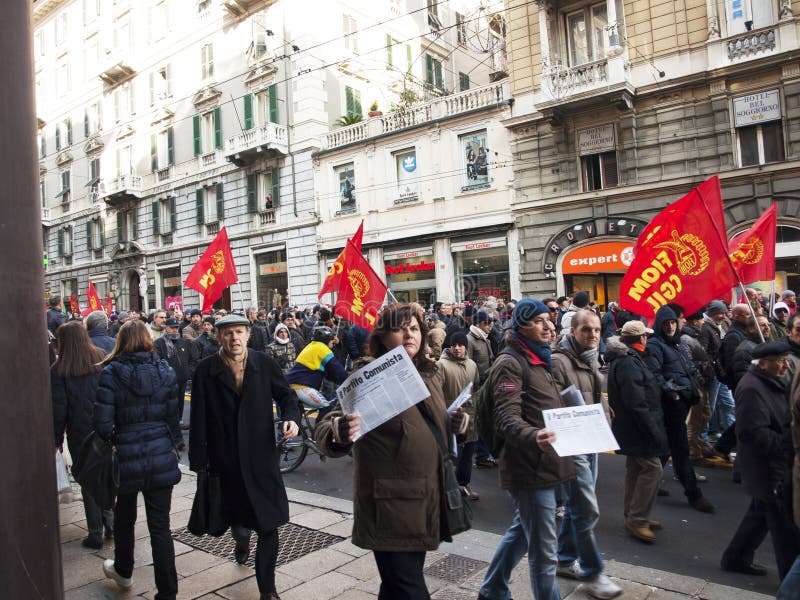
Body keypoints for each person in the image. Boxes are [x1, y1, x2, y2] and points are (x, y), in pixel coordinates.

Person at [316, 302, 465, 599]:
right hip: (390, 504)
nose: (409, 335)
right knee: (409, 587)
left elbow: (434, 423)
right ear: (383, 337)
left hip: (425, 497)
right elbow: (327, 426)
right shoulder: (368, 374)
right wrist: (339, 431)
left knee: (396, 586)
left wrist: (454, 421)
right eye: (399, 329)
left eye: (414, 329)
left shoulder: (431, 373)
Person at [190, 314, 300, 600]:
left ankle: (268, 590)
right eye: (228, 333)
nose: (234, 338)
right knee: (238, 519)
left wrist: (291, 418)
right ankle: (241, 543)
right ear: (218, 337)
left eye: (239, 332)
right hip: (225, 459)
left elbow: (287, 396)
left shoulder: (263, 364)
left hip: (261, 457)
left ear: (249, 335)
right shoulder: (206, 370)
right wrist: (199, 462)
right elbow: (198, 416)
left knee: (269, 522)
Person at [478, 298, 577, 600]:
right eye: (539, 321)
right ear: (522, 325)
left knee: (523, 531)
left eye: (550, 319)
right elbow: (507, 417)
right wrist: (534, 436)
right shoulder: (510, 362)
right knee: (545, 553)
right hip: (530, 468)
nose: (549, 326)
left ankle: (493, 589)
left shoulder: (540, 357)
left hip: (548, 464)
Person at [94, 320, 182, 598]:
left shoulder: (111, 373)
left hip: (127, 455)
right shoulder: (164, 371)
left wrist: (115, 440)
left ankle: (124, 570)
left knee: (124, 519)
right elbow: (172, 417)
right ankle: (167, 593)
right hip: (159, 454)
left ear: (121, 341)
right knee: (160, 527)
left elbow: (103, 425)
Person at [550, 311, 620, 598]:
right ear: (573, 331)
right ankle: (593, 571)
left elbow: (595, 397)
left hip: (591, 439)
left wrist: (606, 417)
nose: (593, 335)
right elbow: (553, 404)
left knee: (580, 505)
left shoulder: (590, 358)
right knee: (586, 508)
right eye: (586, 330)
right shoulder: (559, 361)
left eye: (596, 330)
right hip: (571, 443)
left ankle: (565, 558)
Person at [721, 340, 799, 580]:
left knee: (760, 515)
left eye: (787, 361)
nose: (786, 366)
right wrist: (787, 445)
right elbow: (752, 433)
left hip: (772, 465)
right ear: (763, 364)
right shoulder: (752, 388)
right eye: (781, 362)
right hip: (767, 467)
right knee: (784, 530)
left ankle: (736, 557)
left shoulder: (773, 380)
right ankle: (790, 582)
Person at [645, 305, 714, 513]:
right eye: (666, 324)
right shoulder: (656, 345)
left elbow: (688, 368)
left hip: (684, 400)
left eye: (673, 322)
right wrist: (672, 392)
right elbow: (655, 374)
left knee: (667, 448)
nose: (670, 327)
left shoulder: (677, 345)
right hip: (671, 405)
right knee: (680, 448)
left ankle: (650, 483)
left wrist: (697, 386)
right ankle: (693, 494)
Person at [51, 321, 113, 549]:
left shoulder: (59, 370)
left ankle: (95, 532)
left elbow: (59, 409)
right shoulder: (101, 357)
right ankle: (110, 523)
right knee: (105, 475)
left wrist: (56, 440)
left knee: (87, 480)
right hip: (104, 428)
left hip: (79, 433)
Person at [605, 320, 669, 543]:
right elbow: (636, 401)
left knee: (636, 469)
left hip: (633, 426)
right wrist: (651, 429)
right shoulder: (628, 362)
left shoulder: (628, 359)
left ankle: (634, 514)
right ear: (641, 338)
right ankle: (638, 518)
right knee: (652, 470)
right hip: (638, 427)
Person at [438, 331, 481, 500]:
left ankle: (463, 486)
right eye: (454, 345)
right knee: (451, 456)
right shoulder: (442, 365)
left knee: (468, 455)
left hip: (469, 418)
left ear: (465, 347)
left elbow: (475, 387)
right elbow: (437, 392)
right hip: (450, 417)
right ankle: (448, 489)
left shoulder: (472, 365)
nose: (457, 348)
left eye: (460, 345)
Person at [155, 317, 192, 444]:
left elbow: (189, 359)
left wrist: (188, 372)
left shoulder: (183, 342)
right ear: (166, 327)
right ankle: (172, 431)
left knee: (180, 403)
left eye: (176, 327)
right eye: (172, 327)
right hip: (168, 381)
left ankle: (178, 423)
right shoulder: (159, 343)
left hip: (182, 380)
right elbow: (158, 362)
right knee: (170, 406)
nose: (175, 330)